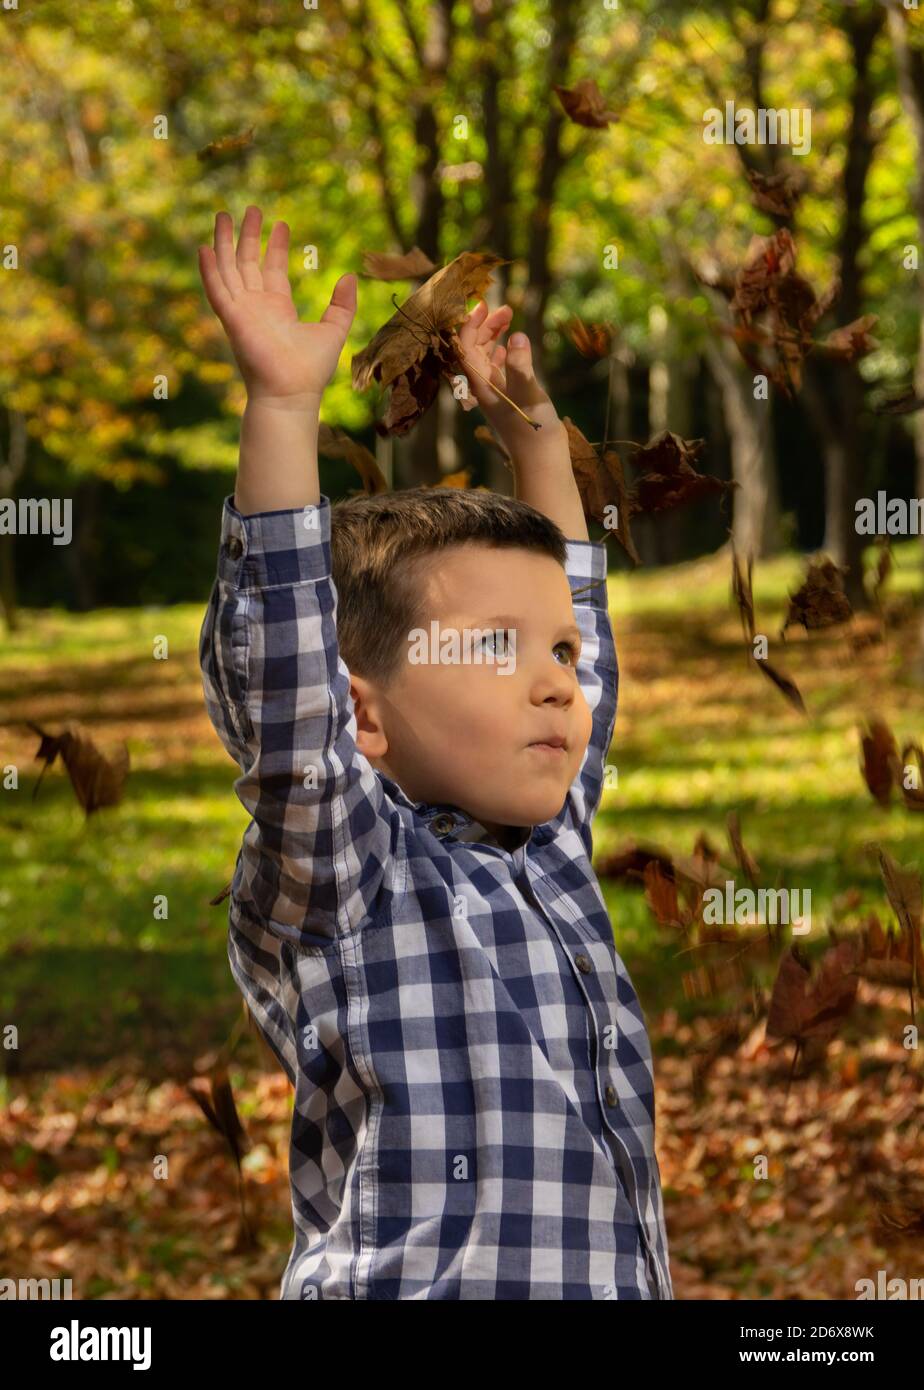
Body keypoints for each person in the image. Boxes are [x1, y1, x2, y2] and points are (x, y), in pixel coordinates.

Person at [197, 204, 673, 1300]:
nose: (561, 677)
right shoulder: (348, 873)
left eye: (557, 648)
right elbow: (286, 683)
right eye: (497, 649)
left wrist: (539, 446)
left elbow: (582, 640)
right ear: (364, 716)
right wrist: (282, 405)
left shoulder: (550, 846)